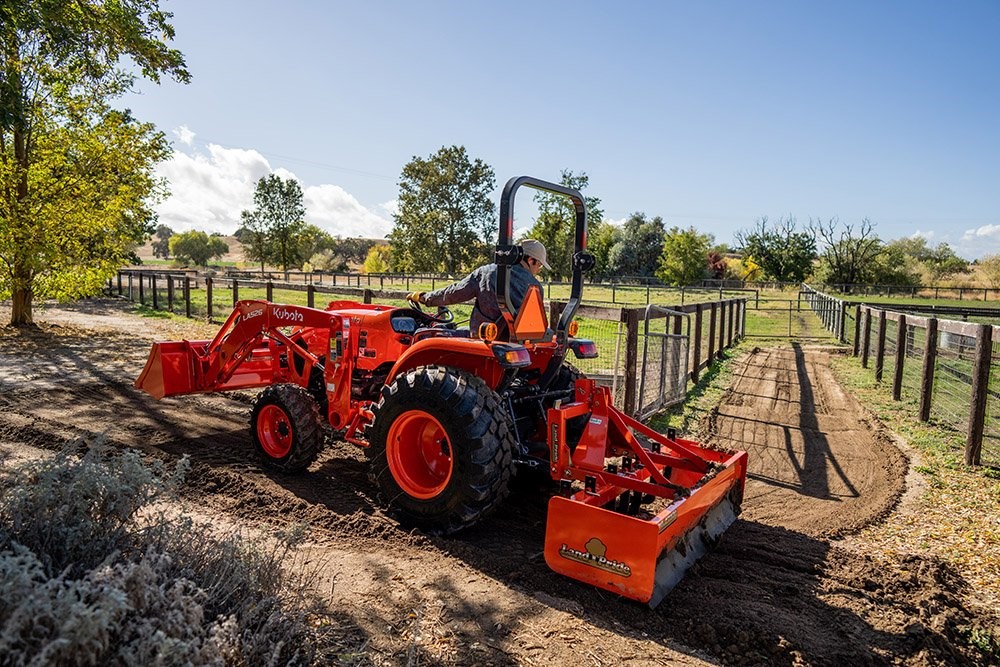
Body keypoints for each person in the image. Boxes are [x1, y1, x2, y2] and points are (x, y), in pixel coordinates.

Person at [407, 239, 550, 336]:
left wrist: (425, 298)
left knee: (427, 335)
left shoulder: (486, 273)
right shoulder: (536, 288)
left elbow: (454, 293)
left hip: (482, 338)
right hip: (515, 343)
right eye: (539, 265)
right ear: (530, 260)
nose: (539, 269)